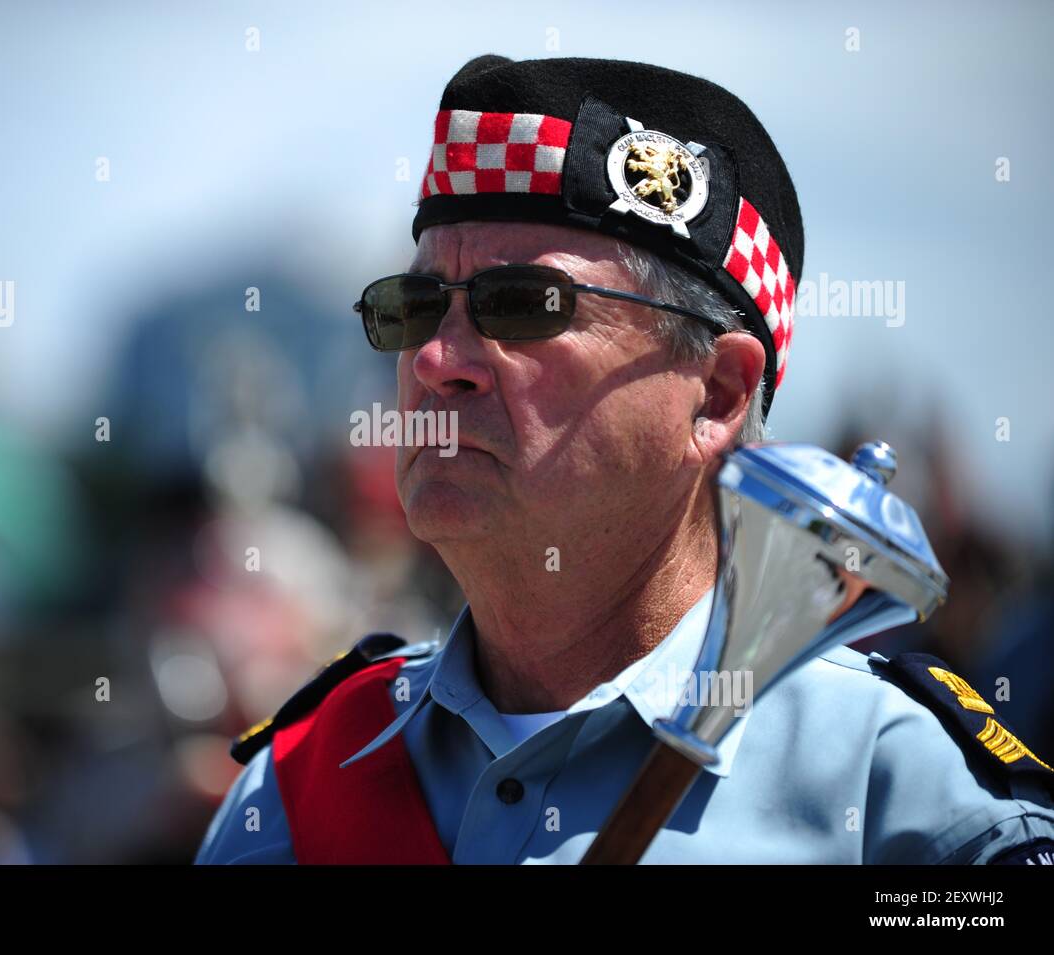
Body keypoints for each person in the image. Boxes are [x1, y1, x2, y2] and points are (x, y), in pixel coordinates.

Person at [195, 55, 1054, 864]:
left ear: (716, 393)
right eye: (412, 307)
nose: (433, 360)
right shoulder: (296, 783)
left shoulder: (907, 802)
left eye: (522, 304)